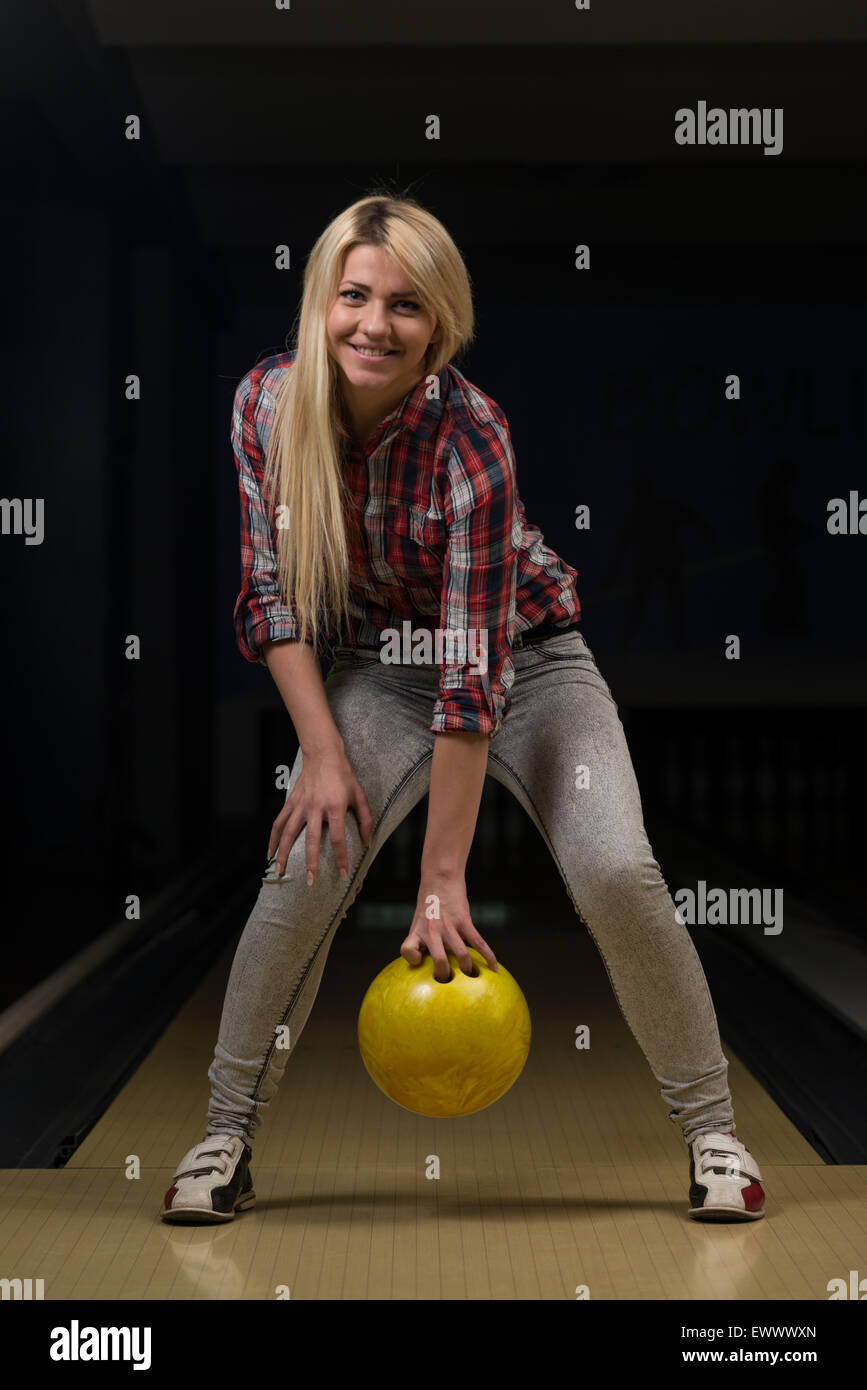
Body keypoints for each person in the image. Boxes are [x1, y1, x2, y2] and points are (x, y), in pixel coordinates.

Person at [161, 193, 764, 1226]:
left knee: (619, 870)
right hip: (368, 671)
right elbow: (270, 596)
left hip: (531, 670)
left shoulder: (470, 434)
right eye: (353, 296)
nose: (373, 325)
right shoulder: (266, 404)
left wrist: (443, 880)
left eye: (405, 305)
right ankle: (224, 1138)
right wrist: (322, 752)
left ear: (439, 325)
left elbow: (472, 673)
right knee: (304, 866)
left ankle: (715, 1135)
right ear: (320, 301)